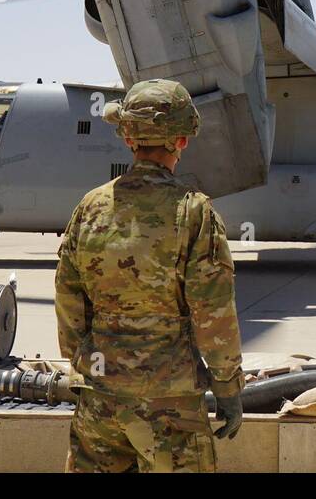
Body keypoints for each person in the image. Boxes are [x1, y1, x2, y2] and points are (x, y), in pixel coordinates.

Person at [55, 79, 244, 473]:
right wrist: (227, 387)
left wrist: (86, 361)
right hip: (169, 406)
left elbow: (69, 300)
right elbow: (213, 310)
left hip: (100, 399)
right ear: (182, 141)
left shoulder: (90, 206)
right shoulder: (194, 212)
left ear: (128, 139)